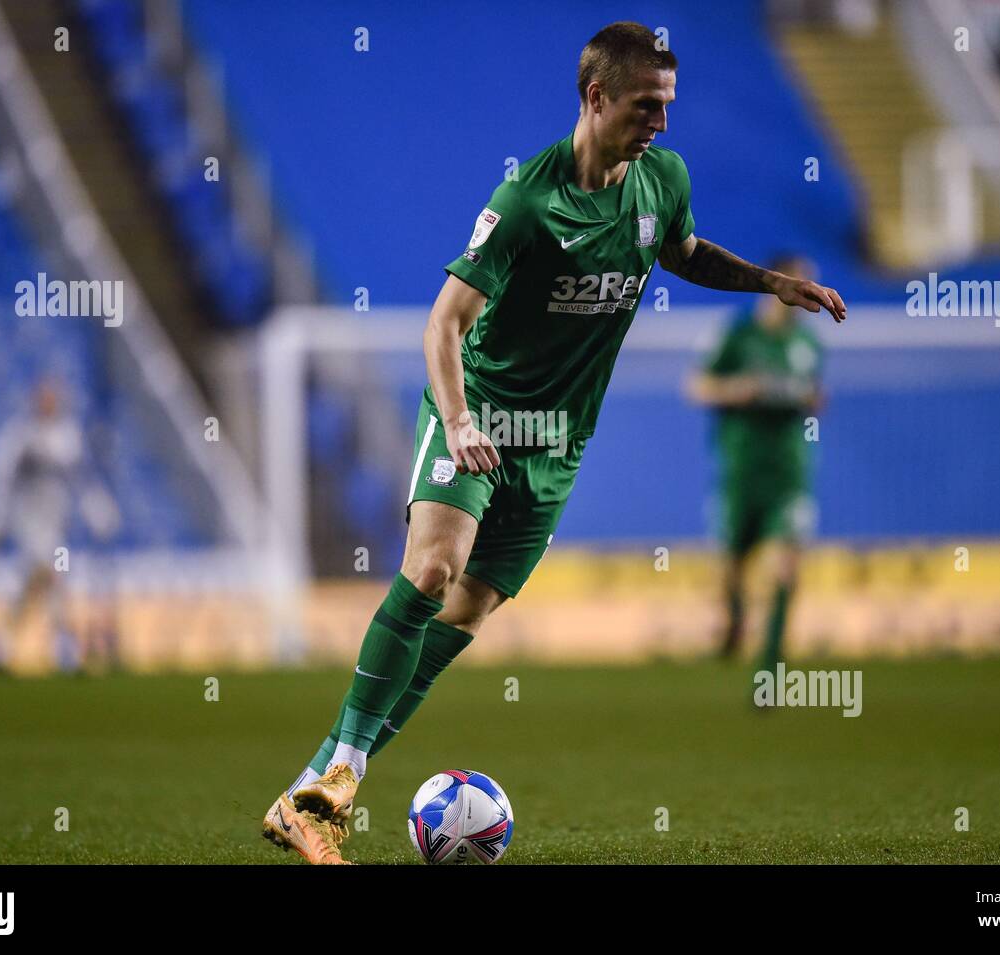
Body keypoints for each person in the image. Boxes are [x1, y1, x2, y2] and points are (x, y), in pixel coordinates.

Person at [262, 22, 845, 864]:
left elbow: (681, 251)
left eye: (668, 106)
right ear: (597, 98)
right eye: (646, 106)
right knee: (432, 571)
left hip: (557, 445)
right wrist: (458, 420)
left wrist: (768, 281)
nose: (661, 123)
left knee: (466, 611)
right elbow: (444, 322)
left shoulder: (664, 180)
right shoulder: (526, 202)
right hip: (478, 416)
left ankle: (307, 793)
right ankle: (341, 778)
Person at [686, 254, 824, 676]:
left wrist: (810, 400)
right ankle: (733, 630)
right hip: (741, 470)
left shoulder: (808, 344)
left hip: (789, 473)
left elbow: (815, 395)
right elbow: (698, 386)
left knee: (786, 566)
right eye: (805, 284)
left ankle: (772, 663)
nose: (812, 296)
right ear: (782, 284)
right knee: (730, 567)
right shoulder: (738, 334)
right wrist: (738, 390)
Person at [0, 380, 120, 672]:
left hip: (56, 523)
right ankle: (63, 644)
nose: (49, 403)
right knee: (52, 572)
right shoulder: (19, 436)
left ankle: (5, 639)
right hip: (28, 521)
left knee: (42, 580)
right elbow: (0, 480)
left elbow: (81, 479)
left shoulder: (68, 437)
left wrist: (98, 510)